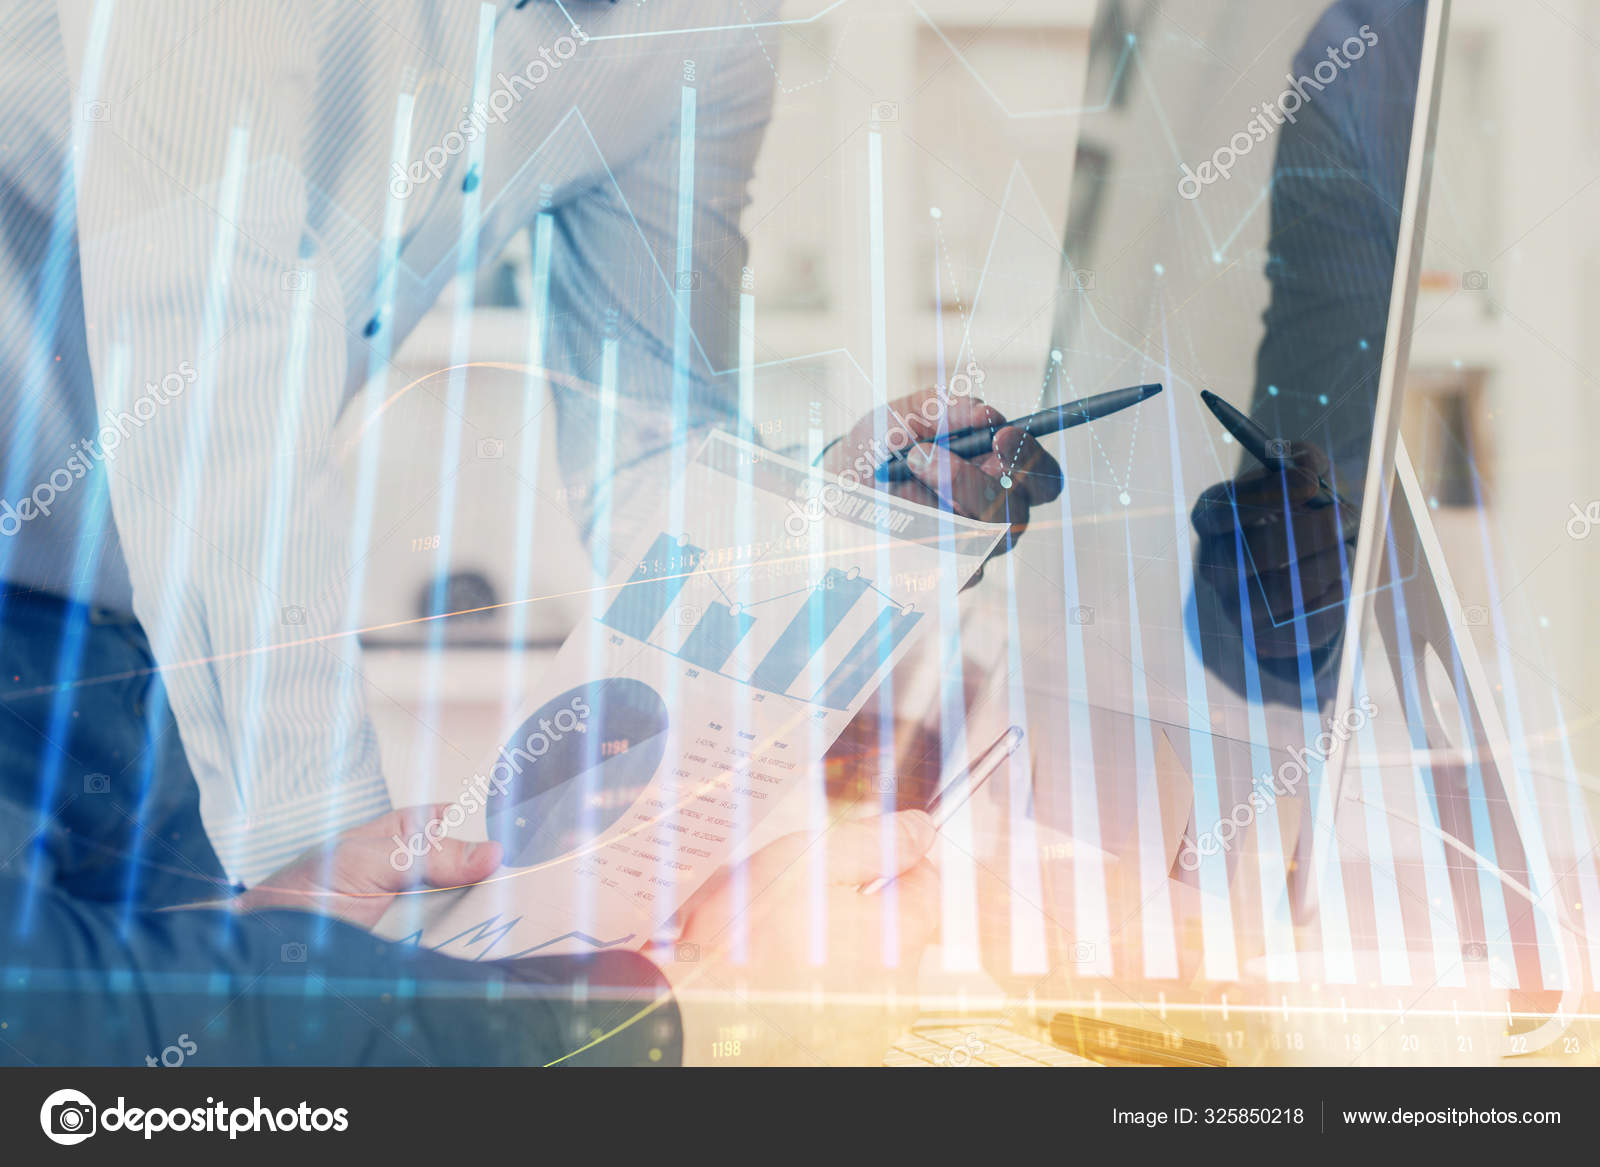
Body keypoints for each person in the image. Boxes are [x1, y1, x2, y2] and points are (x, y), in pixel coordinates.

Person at [0, 0, 1059, 1064]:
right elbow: (217, 385)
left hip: (149, 671)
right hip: (46, 621)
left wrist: (849, 521)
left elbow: (650, 433)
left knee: (177, 1085)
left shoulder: (712, 30)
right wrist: (365, 966)